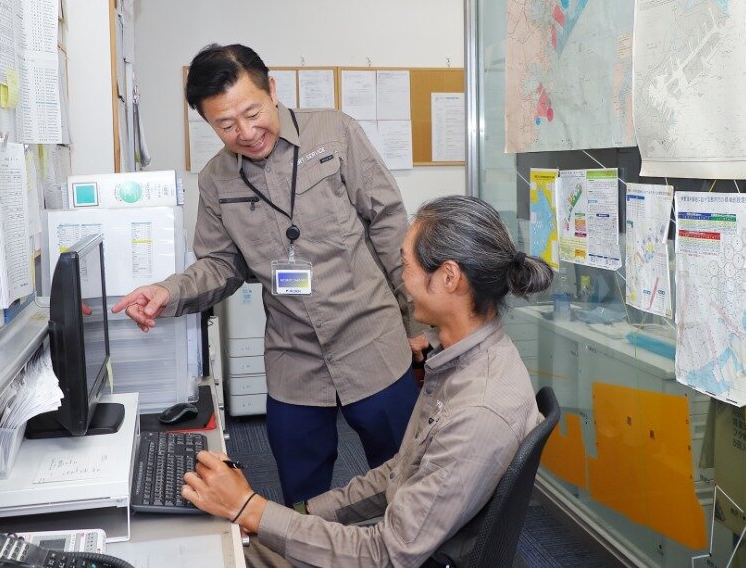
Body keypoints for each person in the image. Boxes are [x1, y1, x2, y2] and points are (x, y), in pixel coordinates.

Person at [112, 43, 429, 506]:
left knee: (404, 480)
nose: (245, 132)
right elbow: (220, 265)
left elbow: (389, 226)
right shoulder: (217, 180)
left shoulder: (335, 133)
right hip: (293, 360)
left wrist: (417, 320)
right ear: (207, 122)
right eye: (226, 125)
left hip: (372, 342)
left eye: (252, 112)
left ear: (272, 90)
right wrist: (167, 290)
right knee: (301, 497)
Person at [180, 195, 554, 568]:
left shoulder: (477, 411)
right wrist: (296, 514)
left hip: (399, 557)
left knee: (218, 555)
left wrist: (250, 509)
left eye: (405, 265)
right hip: (403, 545)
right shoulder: (470, 361)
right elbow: (400, 470)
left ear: (449, 277)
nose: (401, 279)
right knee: (234, 542)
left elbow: (386, 554)